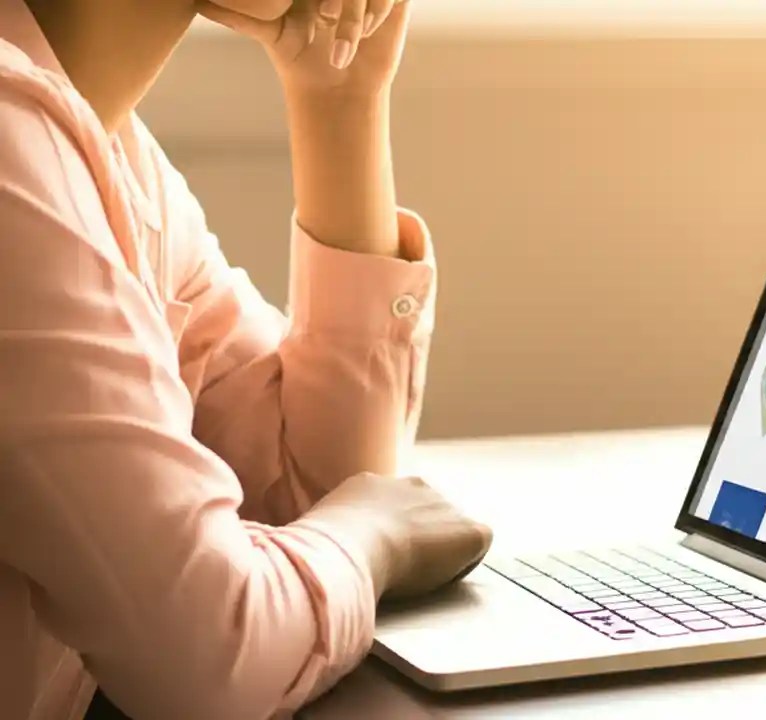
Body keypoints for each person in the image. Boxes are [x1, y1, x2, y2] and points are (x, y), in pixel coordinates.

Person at [0, 1, 494, 718]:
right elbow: (207, 658)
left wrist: (341, 98)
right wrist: (376, 536)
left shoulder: (109, 150)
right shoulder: (12, 153)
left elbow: (312, 495)